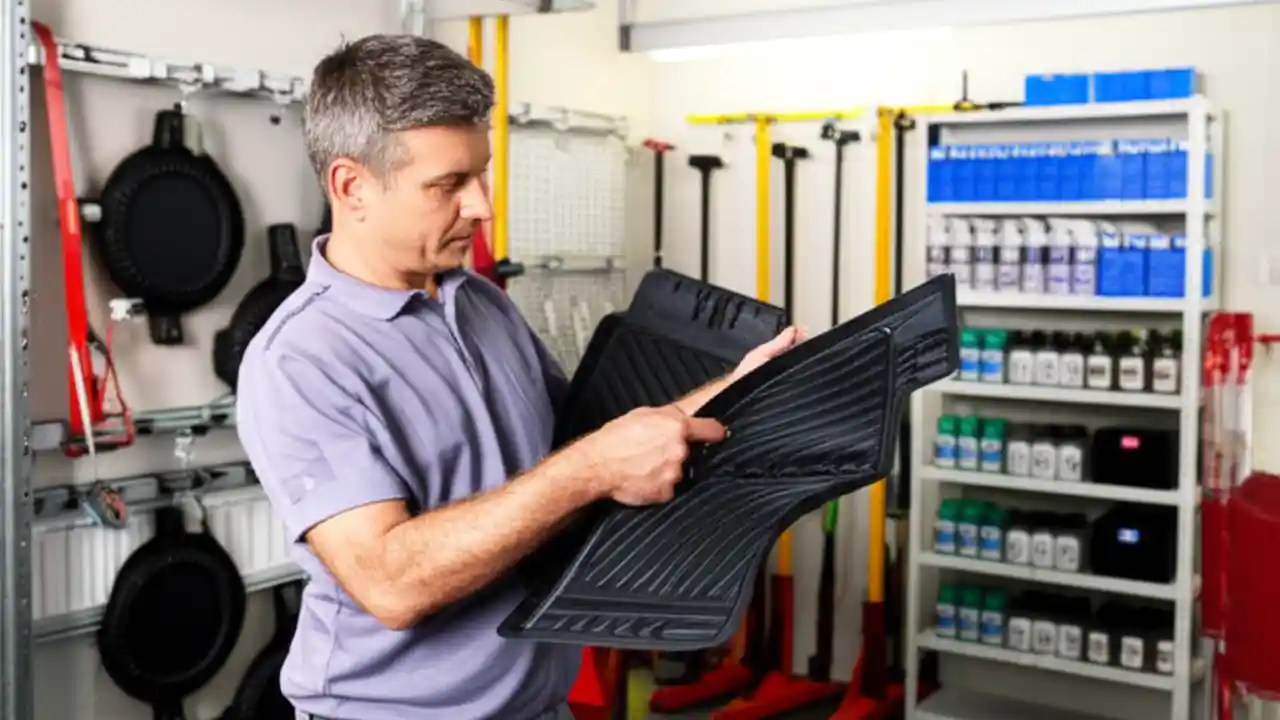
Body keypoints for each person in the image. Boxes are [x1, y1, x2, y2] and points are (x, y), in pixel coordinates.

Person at [235, 33, 804, 720]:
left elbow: (579, 449)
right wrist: (592, 468)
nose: (481, 207)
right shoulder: (301, 359)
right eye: (448, 185)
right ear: (351, 186)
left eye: (481, 174)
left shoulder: (480, 303)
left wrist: (738, 387)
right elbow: (391, 584)